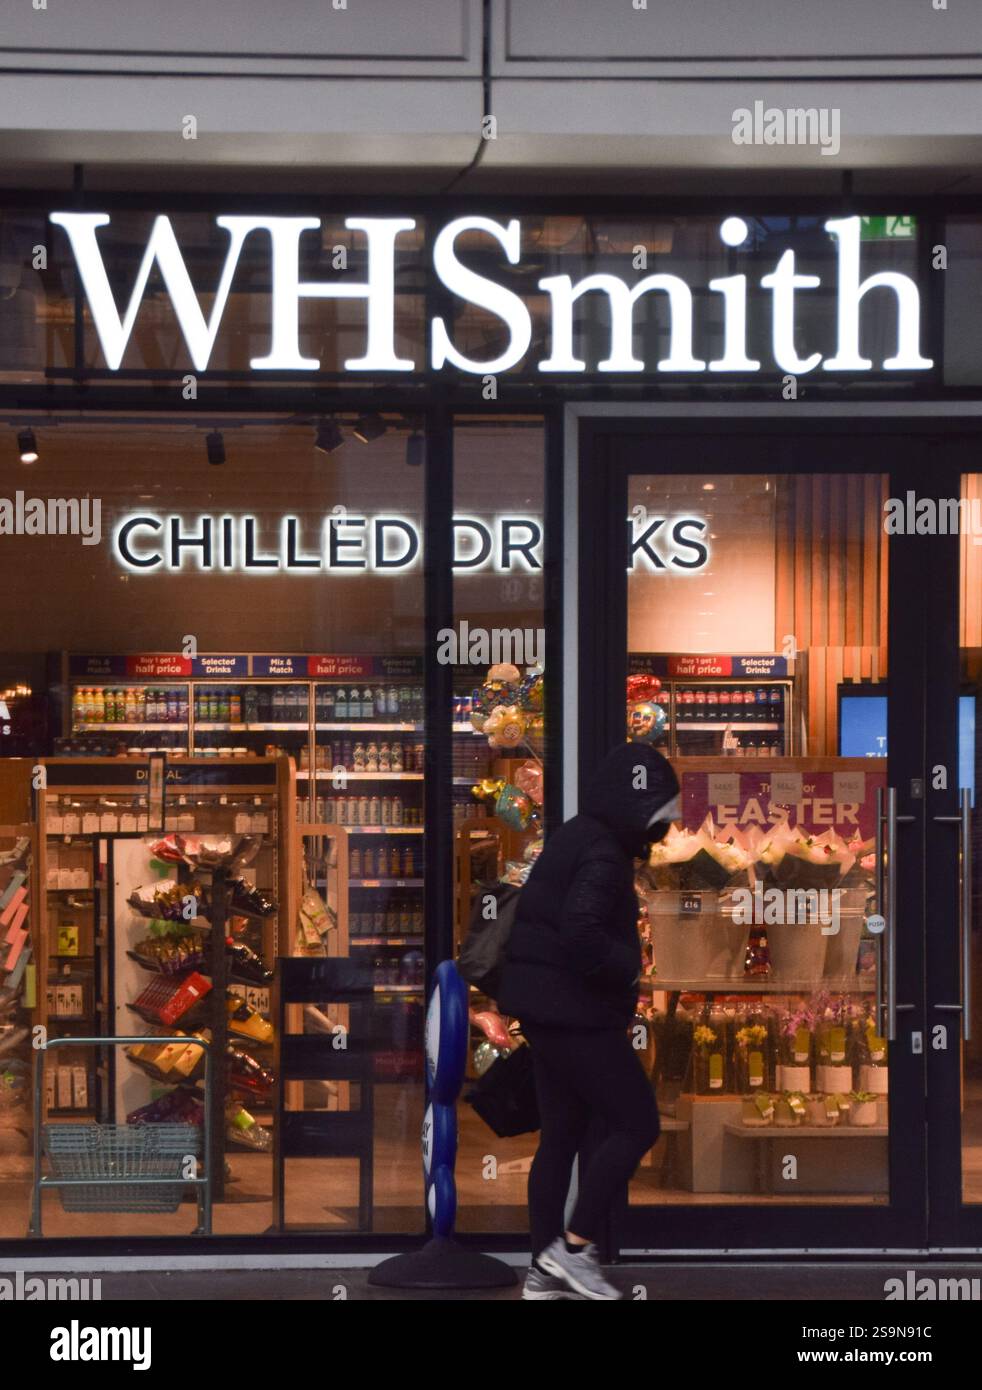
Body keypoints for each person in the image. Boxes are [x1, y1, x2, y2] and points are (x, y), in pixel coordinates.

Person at [496, 741, 680, 1301]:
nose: (662, 832)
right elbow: (581, 934)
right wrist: (628, 969)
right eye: (659, 818)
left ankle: (541, 1270)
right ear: (636, 807)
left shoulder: (576, 833)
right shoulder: (603, 853)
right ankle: (573, 1251)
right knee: (637, 1123)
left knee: (561, 1139)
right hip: (575, 1014)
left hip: (545, 1009)